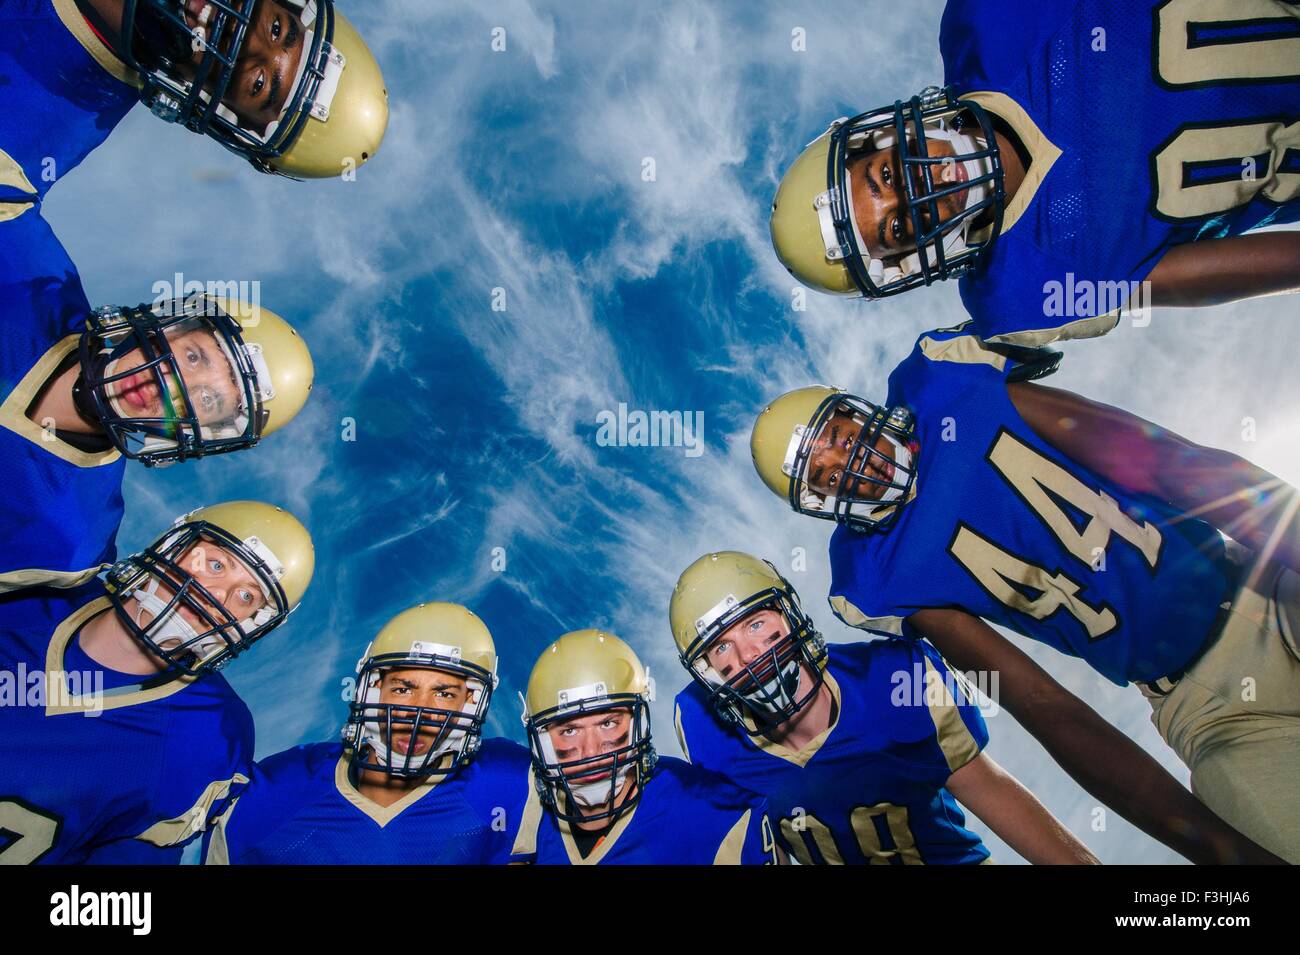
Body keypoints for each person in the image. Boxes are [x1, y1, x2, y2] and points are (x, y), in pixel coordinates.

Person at [749, 323, 1297, 862]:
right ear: (822, 506)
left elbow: (1175, 467)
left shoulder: (949, 383)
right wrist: (1219, 854)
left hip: (1265, 583)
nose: (849, 465)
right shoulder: (878, 577)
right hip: (1203, 707)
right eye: (823, 477)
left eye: (840, 438)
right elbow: (1042, 704)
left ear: (857, 409)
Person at [769, 0, 1300, 346]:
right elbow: (1187, 278)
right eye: (898, 229)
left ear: (883, 133)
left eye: (884, 177)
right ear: (911, 263)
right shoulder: (1022, 292)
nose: (917, 195)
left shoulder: (987, 18)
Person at [670, 550, 1098, 864]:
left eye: (756, 623)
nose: (748, 656)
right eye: (722, 646)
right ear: (706, 672)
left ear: (789, 614)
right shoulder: (707, 737)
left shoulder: (891, 678)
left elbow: (987, 787)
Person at [0, 499, 314, 863]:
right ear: (171, 547)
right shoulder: (31, 591)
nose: (217, 595)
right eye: (216, 564)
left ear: (251, 626)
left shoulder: (205, 739)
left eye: (246, 596)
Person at [204, 602, 538, 864]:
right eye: (404, 688)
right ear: (372, 692)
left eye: (444, 693)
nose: (418, 713)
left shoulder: (509, 784)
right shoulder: (275, 793)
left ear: (470, 706)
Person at [516, 629, 781, 865]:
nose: (591, 751)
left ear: (637, 725)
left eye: (608, 723)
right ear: (543, 743)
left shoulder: (714, 813)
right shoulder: (523, 821)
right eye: (570, 730)